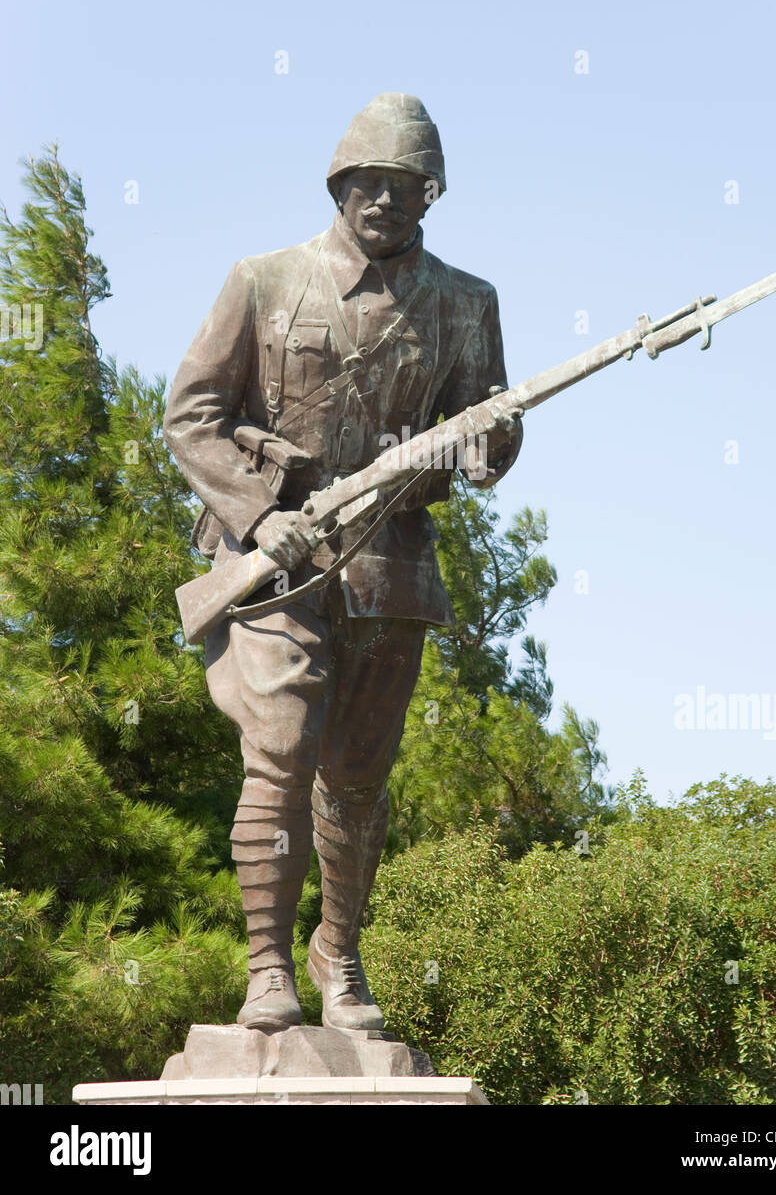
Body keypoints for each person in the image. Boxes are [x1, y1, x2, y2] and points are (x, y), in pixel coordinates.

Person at [163, 93, 522, 1031]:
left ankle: (340, 956)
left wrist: (493, 441)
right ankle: (266, 968)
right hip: (276, 568)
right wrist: (254, 512)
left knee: (358, 778)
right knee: (278, 753)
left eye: (406, 188)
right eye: (369, 183)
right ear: (339, 184)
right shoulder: (264, 281)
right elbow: (190, 417)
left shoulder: (465, 303)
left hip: (390, 572)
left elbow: (482, 444)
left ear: (430, 196)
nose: (385, 202)